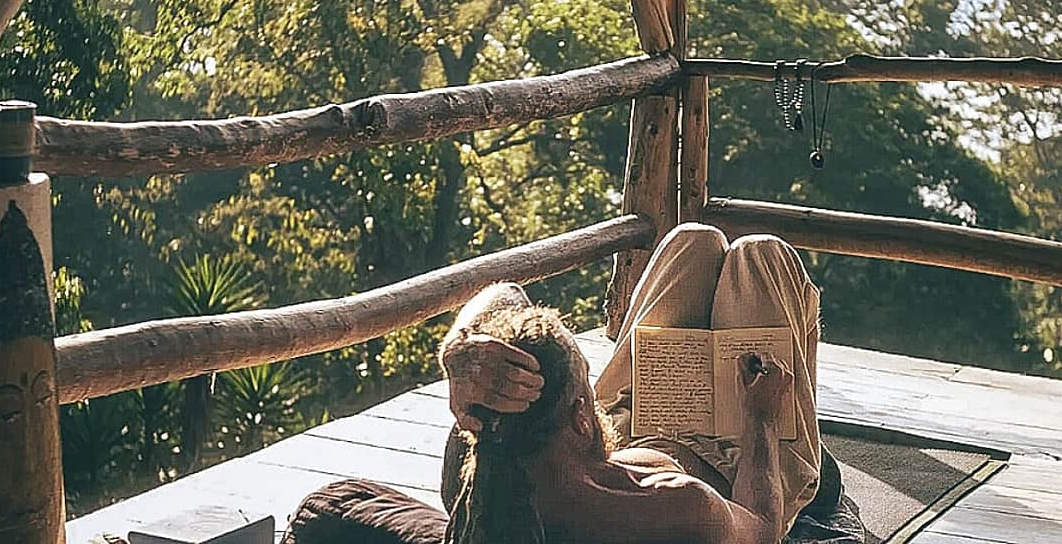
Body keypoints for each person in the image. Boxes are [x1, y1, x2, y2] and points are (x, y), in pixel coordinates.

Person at [283, 224, 864, 543]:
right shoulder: (675, 510)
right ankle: (781, 392)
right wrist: (761, 415)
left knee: (695, 243)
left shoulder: (481, 457)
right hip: (741, 456)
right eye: (587, 380)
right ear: (586, 417)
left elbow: (502, 294)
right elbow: (759, 534)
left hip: (639, 422)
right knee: (756, 257)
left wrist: (459, 352)